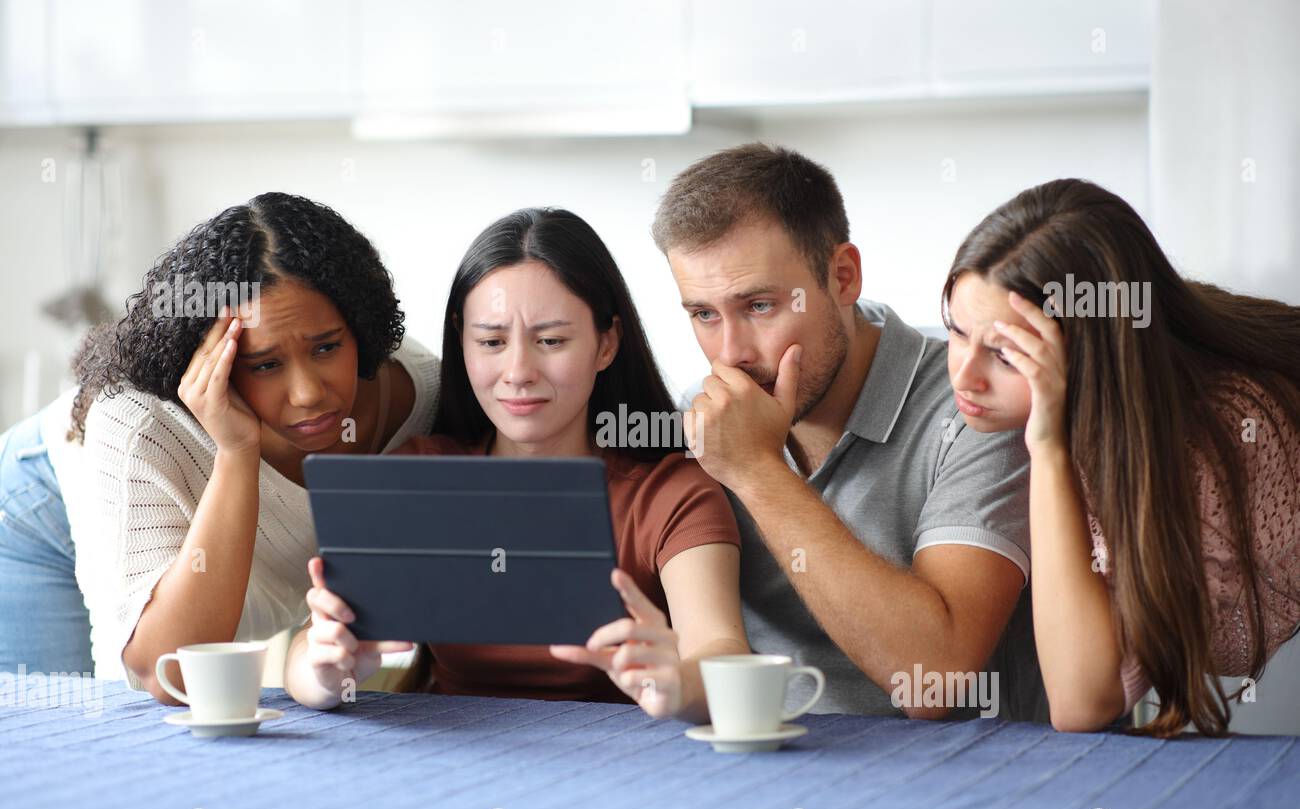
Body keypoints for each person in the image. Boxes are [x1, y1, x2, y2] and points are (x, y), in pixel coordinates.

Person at [285, 208, 746, 722]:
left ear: (606, 343)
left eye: (551, 341)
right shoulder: (418, 479)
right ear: (462, 342)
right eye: (491, 343)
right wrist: (325, 672)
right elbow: (309, 656)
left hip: (622, 763)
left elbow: (722, 651)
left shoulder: (672, 492)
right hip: (456, 763)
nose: (519, 373)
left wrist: (678, 685)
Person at [652, 143, 1046, 722]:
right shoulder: (703, 417)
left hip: (970, 782)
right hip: (775, 769)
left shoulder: (976, 402)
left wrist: (757, 472)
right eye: (703, 315)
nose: (730, 355)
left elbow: (934, 682)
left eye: (759, 306)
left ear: (843, 277)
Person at [9, 192, 441, 703]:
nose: (308, 394)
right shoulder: (139, 422)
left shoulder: (418, 396)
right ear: (213, 358)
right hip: (41, 516)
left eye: (326, 347)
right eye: (264, 364)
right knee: (67, 728)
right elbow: (171, 675)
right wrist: (237, 452)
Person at [941, 177, 1300, 735]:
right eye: (956, 332)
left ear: (1095, 356)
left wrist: (1048, 447)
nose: (963, 377)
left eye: (1006, 357)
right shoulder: (1131, 377)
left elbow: (1082, 702)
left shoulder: (1206, 444)